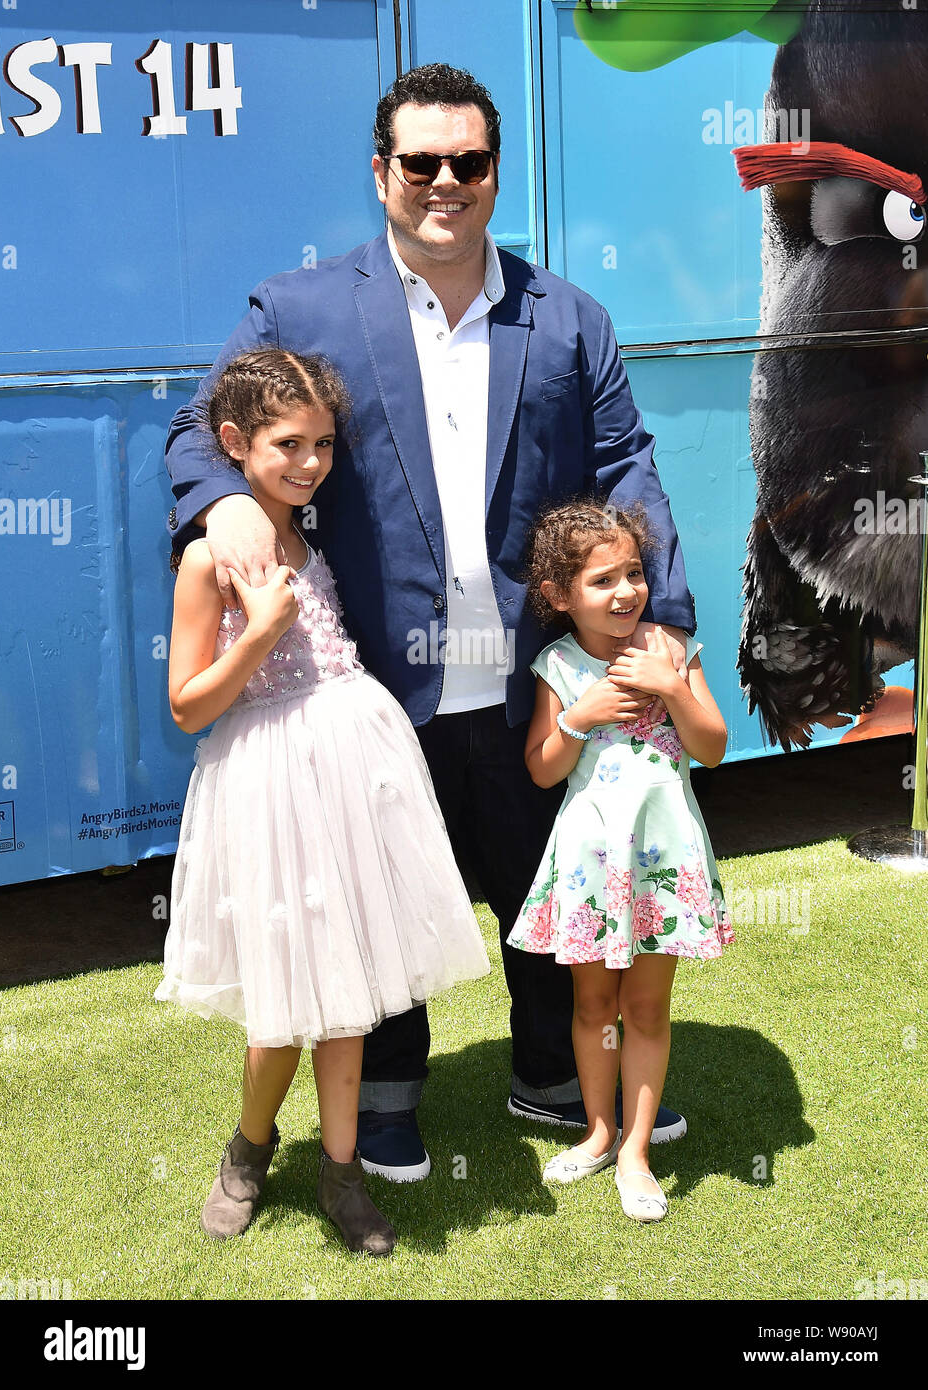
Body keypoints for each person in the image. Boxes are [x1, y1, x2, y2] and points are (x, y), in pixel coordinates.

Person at [164, 63, 698, 1182]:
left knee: (539, 867)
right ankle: (392, 1098)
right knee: (382, 885)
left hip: (522, 673)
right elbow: (194, 427)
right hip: (369, 682)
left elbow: (625, 465)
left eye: (470, 161)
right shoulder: (301, 307)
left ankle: (553, 1072)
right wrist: (219, 506)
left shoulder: (565, 319)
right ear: (381, 172)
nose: (445, 181)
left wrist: (667, 625)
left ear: (496, 172)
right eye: (421, 161)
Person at [155, 349, 490, 1255]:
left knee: (351, 997)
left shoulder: (310, 535)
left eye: (324, 444)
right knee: (284, 1010)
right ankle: (249, 1149)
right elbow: (187, 704)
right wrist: (260, 633)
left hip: (353, 772)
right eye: (286, 444)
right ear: (232, 443)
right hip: (270, 785)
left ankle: (341, 1173)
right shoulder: (208, 560)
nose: (310, 463)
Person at [507, 500, 734, 1221]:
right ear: (558, 596)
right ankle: (599, 1131)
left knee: (645, 1008)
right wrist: (583, 713)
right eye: (602, 580)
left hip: (663, 859)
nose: (626, 592)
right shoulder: (559, 665)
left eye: (633, 572)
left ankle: (637, 1151)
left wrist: (671, 688)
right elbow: (543, 769)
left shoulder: (673, 649)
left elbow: (714, 745)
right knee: (593, 1006)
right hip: (588, 865)